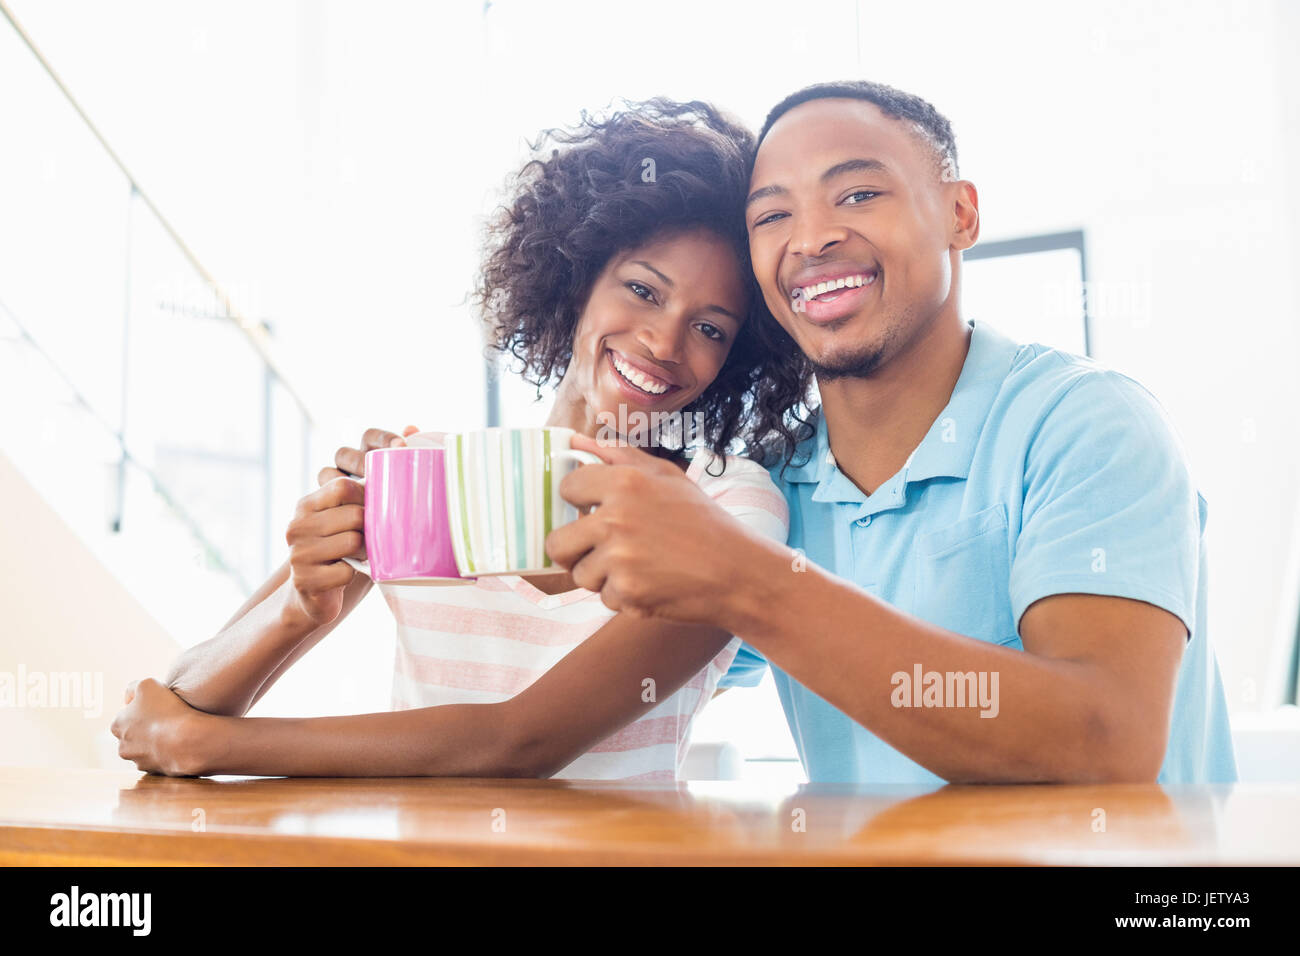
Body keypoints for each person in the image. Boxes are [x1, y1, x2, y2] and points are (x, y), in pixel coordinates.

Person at [546, 80, 1238, 784]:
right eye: (773, 214)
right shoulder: (771, 490)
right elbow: (565, 702)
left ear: (959, 215)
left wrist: (748, 580)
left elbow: (1105, 740)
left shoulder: (1088, 424)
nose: (811, 238)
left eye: (858, 195)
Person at [111, 98, 797, 780]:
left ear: (735, 358)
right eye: (643, 291)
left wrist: (211, 748)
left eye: (710, 328)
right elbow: (181, 699)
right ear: (577, 279)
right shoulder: (426, 474)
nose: (662, 340)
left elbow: (520, 743)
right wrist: (299, 607)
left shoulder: (727, 510)